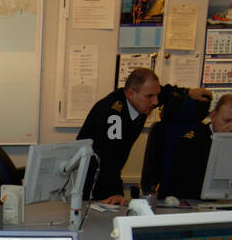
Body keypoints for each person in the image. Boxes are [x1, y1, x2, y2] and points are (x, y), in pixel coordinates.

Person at [78, 68, 211, 204]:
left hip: (109, 172)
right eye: (150, 97)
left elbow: (164, 92)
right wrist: (115, 193)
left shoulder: (141, 99)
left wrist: (188, 92)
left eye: (156, 95)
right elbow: (110, 158)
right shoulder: (113, 114)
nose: (155, 102)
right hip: (92, 177)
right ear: (131, 93)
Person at [141, 92, 232, 202]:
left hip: (230, 199)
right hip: (190, 200)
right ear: (213, 116)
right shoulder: (193, 140)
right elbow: (185, 183)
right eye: (227, 120)